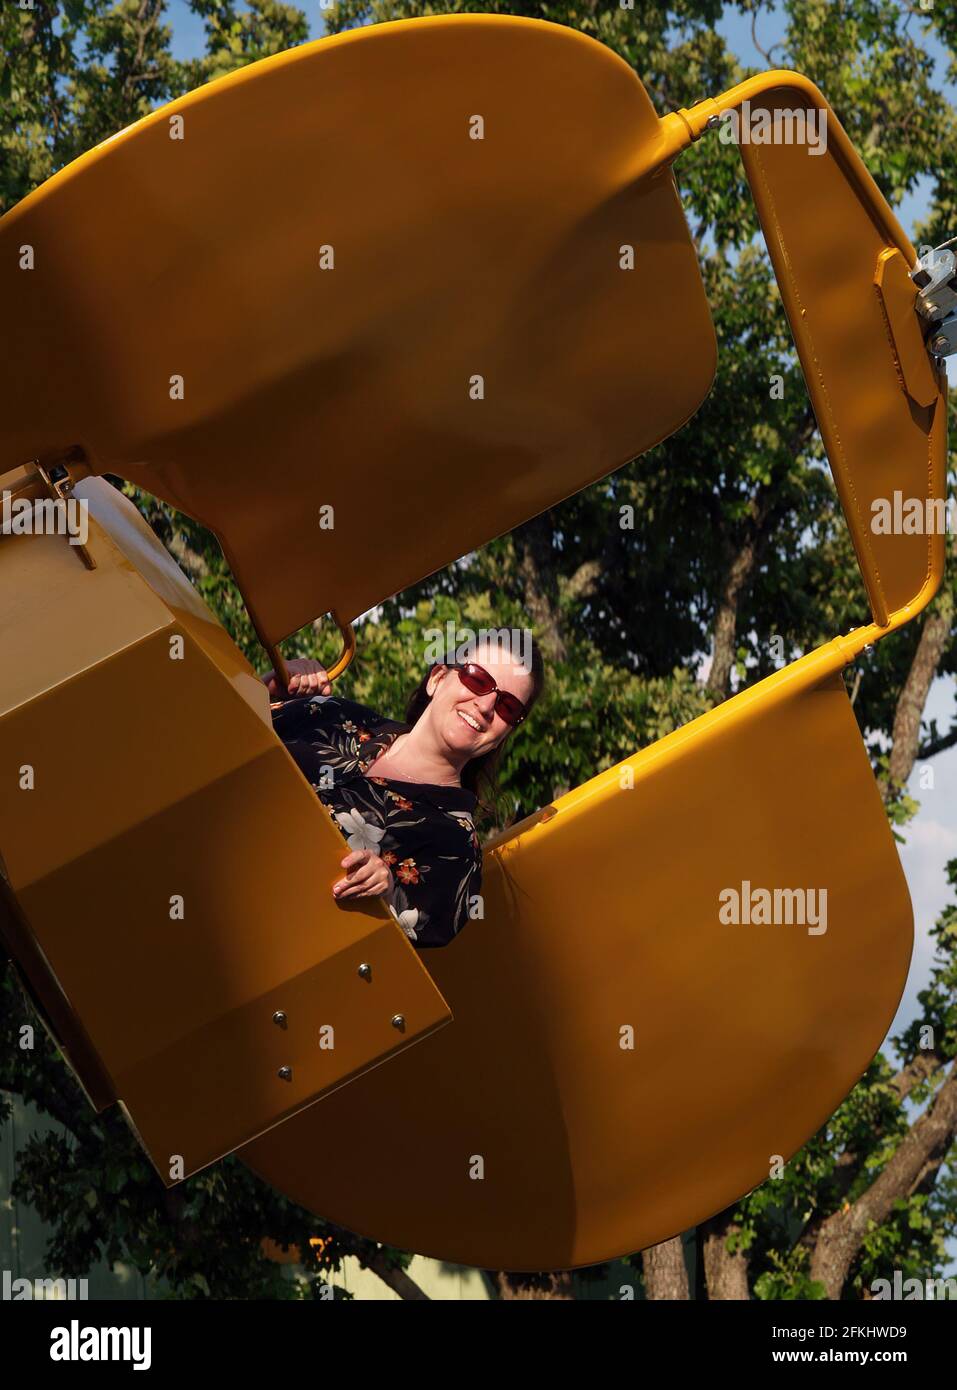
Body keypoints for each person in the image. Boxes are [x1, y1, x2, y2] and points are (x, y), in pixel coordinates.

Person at [265, 635, 544, 948]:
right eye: (478, 679)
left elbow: (391, 955)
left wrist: (386, 893)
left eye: (508, 706)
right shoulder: (336, 715)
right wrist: (270, 688)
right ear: (437, 678)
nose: (486, 705)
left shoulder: (457, 849)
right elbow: (226, 726)